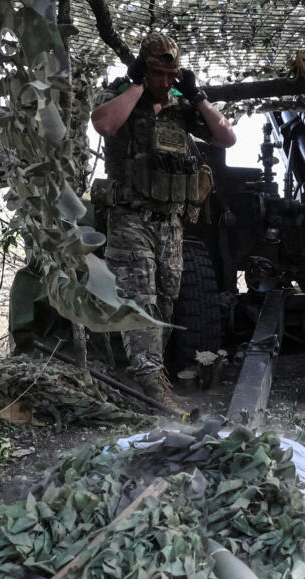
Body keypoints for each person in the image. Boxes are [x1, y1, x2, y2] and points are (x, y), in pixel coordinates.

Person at [90, 33, 236, 401]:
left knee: (166, 302)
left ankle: (141, 377)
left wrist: (197, 96)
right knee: (140, 299)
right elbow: (104, 125)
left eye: (173, 75)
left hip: (170, 224)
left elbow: (226, 137)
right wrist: (138, 86)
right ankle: (152, 386)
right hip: (130, 220)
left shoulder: (179, 107)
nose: (167, 82)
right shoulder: (122, 96)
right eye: (160, 74)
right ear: (144, 69)